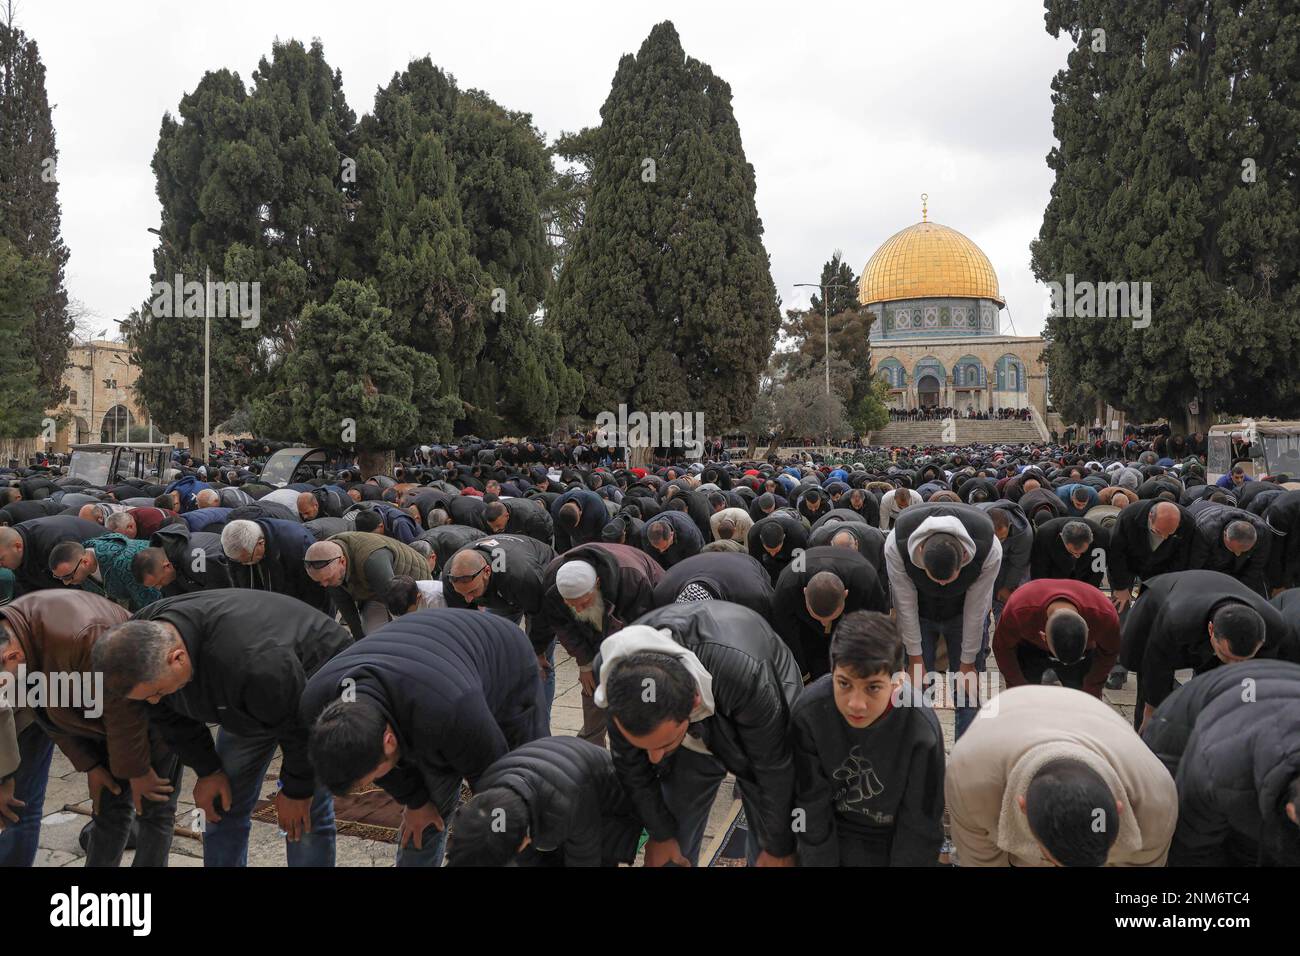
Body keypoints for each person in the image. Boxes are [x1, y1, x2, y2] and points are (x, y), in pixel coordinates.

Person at [91, 590, 353, 867]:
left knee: (304, 814)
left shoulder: (254, 663)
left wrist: (297, 789)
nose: (154, 701)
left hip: (314, 682)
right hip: (245, 697)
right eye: (146, 697)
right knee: (220, 804)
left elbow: (302, 729)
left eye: (156, 692)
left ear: (177, 658)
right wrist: (208, 770)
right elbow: (167, 716)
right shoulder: (143, 635)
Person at [299, 609, 547, 867]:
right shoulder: (316, 704)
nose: (370, 787)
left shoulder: (452, 712)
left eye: (369, 779)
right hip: (427, 661)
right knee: (425, 815)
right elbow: (386, 771)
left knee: (528, 787)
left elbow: (495, 782)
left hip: (504, 656)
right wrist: (415, 801)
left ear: (389, 740)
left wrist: (506, 830)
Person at [594, 600, 802, 867]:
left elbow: (773, 767)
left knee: (770, 836)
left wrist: (778, 846)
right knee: (674, 831)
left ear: (693, 703)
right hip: (694, 713)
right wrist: (661, 833)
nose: (655, 758)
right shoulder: (616, 679)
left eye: (664, 743)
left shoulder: (746, 675)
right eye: (645, 747)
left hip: (761, 698)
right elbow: (630, 765)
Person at [0, 590, 179, 867]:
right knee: (108, 810)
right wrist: (90, 765)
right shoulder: (17, 635)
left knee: (154, 810)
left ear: (13, 656)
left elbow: (124, 709)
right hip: (97, 716)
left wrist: (137, 770)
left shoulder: (84, 633)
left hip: (152, 711)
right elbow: (49, 715)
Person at [945, 686, 1177, 867]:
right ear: (1022, 807)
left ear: (1118, 808)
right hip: (1012, 710)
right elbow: (981, 860)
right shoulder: (971, 781)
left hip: (1095, 718)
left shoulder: (1155, 801)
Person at [789, 611, 944, 866]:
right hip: (830, 830)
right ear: (832, 671)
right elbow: (809, 806)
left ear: (897, 682)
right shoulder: (809, 713)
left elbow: (920, 824)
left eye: (872, 687)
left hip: (890, 835)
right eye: (844, 684)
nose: (856, 704)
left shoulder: (920, 727)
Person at [1142, 660, 1300, 866]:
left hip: (1277, 688)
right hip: (1184, 724)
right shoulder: (1219, 769)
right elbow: (1191, 848)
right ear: (1291, 811)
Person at [884, 503, 1001, 739]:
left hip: (962, 611)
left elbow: (976, 608)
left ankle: (966, 755)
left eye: (950, 580)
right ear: (921, 556)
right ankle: (917, 750)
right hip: (919, 611)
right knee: (915, 688)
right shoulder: (896, 544)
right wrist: (915, 657)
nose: (942, 585)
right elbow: (905, 604)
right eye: (935, 579)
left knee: (968, 686)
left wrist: (968, 660)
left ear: (965, 558)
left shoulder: (990, 548)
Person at [1120, 569, 1289, 732]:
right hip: (1160, 599)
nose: (1234, 666)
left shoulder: (1275, 626)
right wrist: (1151, 712)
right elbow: (1155, 666)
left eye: (1244, 659)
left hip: (1211, 601)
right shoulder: (1177, 621)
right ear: (1210, 630)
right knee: (1142, 669)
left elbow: (1258, 677)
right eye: (1227, 656)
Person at [530, 542, 664, 747]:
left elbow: (644, 631)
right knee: (591, 679)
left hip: (640, 621)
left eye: (583, 603)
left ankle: (642, 743)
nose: (578, 609)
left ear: (597, 584)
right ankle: (592, 748)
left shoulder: (632, 579)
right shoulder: (553, 582)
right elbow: (562, 625)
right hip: (602, 621)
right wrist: (585, 663)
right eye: (570, 604)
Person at [445, 736, 641, 867]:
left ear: (525, 839)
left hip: (615, 807)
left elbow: (584, 858)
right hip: (559, 785)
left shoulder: (566, 806)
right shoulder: (489, 792)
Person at [770, 547, 888, 680]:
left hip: (850, 627)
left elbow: (878, 628)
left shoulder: (866, 580)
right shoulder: (787, 586)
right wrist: (802, 674)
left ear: (845, 594)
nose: (824, 623)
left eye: (830, 617)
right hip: (806, 630)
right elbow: (786, 634)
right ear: (804, 592)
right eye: (818, 617)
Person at [992, 578, 1120, 697]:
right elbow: (1002, 648)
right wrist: (1017, 686)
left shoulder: (1104, 615)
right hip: (1029, 647)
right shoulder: (1019, 609)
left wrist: (1093, 686)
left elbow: (1110, 652)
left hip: (1083, 655)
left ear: (1088, 630)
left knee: (1083, 698)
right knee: (1023, 697)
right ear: (1043, 636)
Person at [303, 533, 430, 639]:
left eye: (328, 579)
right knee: (372, 636)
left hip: (408, 584)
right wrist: (360, 641)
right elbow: (346, 609)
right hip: (374, 589)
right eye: (320, 582)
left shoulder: (372, 560)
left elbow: (395, 603)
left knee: (411, 633)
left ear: (342, 561)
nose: (325, 585)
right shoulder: (328, 563)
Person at [221, 517, 332, 614]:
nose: (244, 564)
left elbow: (315, 590)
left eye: (247, 560)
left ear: (261, 543)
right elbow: (238, 581)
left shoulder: (297, 544)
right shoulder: (233, 543)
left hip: (301, 598)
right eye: (238, 561)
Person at [1105, 500, 1193, 613]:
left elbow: (1181, 559)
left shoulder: (1188, 522)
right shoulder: (1129, 516)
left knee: (1152, 609)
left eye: (1170, 534)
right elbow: (1116, 554)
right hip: (1127, 564)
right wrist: (1120, 587)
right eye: (1158, 532)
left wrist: (1166, 586)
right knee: (1121, 606)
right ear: (1150, 517)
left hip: (1161, 568)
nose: (1165, 537)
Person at [47, 534, 162, 612]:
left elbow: (152, 605)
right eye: (59, 578)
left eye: (68, 576)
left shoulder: (124, 563)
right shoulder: (81, 561)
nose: (66, 583)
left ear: (85, 562)